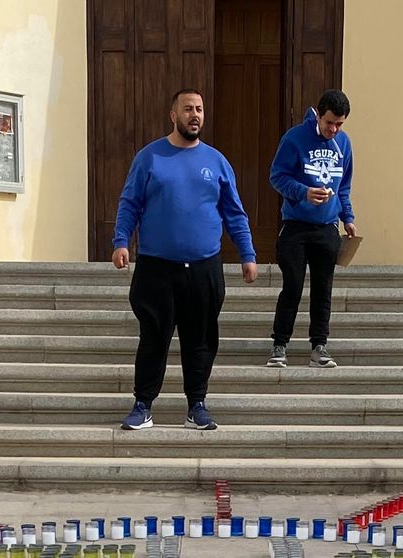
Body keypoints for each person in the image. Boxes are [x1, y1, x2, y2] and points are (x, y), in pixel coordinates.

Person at [112, 88, 259, 432]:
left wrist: (247, 254)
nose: (195, 115)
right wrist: (121, 241)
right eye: (188, 109)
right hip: (156, 267)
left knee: (201, 340)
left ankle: (197, 405)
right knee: (154, 338)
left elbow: (234, 214)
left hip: (204, 267)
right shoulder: (150, 158)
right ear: (173, 115)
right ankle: (143, 405)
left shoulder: (217, 162)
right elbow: (129, 202)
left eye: (200, 109)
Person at [268, 89, 356, 368]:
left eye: (340, 124)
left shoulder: (344, 144)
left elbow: (344, 186)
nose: (334, 129)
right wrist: (303, 192)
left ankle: (319, 346)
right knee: (292, 286)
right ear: (318, 115)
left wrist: (348, 217)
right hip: (295, 226)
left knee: (323, 288)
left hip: (327, 228)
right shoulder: (294, 138)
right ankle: (279, 344)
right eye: (330, 122)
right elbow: (277, 177)